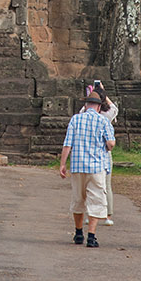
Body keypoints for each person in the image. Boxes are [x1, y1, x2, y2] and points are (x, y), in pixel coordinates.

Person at [59, 90, 115, 248]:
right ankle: (91, 236)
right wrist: (105, 146)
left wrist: (63, 164)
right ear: (98, 107)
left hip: (77, 165)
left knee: (78, 198)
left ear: (86, 105)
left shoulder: (75, 119)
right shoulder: (103, 121)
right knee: (96, 199)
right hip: (96, 167)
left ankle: (78, 233)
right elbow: (111, 143)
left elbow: (67, 144)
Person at [90, 81, 118, 226]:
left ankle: (90, 214)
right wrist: (103, 93)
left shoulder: (84, 115)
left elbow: (85, 109)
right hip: (105, 154)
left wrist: (92, 94)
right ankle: (107, 215)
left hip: (89, 153)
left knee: (90, 185)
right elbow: (114, 107)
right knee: (106, 185)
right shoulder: (107, 115)